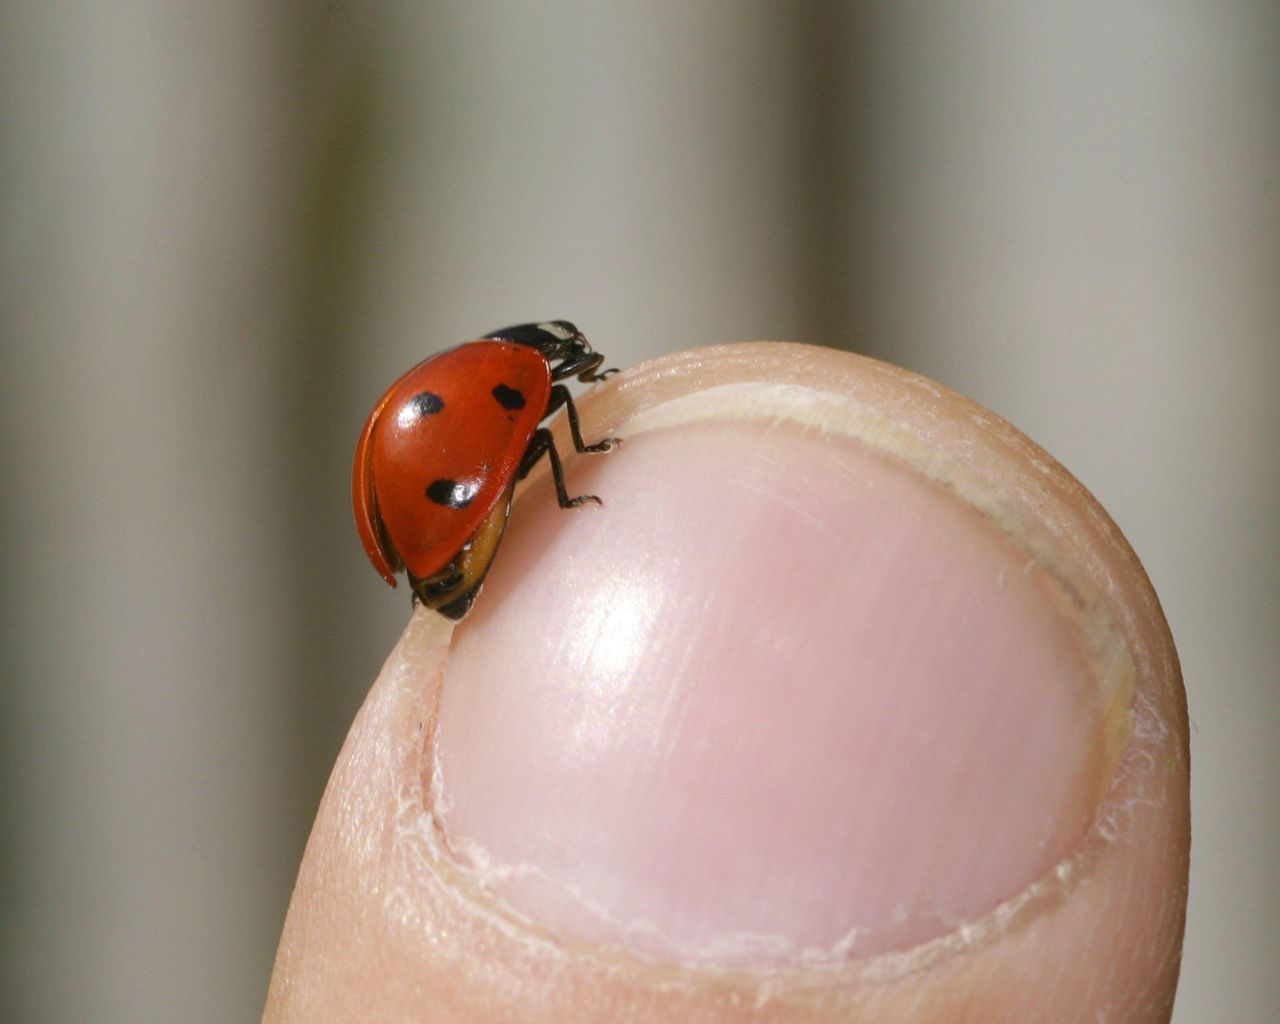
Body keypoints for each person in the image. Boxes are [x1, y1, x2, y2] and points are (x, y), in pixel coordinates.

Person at [263, 344, 1189, 1023]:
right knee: (550, 448)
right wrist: (571, 485)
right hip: (442, 529)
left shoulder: (492, 378)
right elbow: (543, 434)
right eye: (566, 363)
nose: (576, 372)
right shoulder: (520, 384)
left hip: (434, 531)